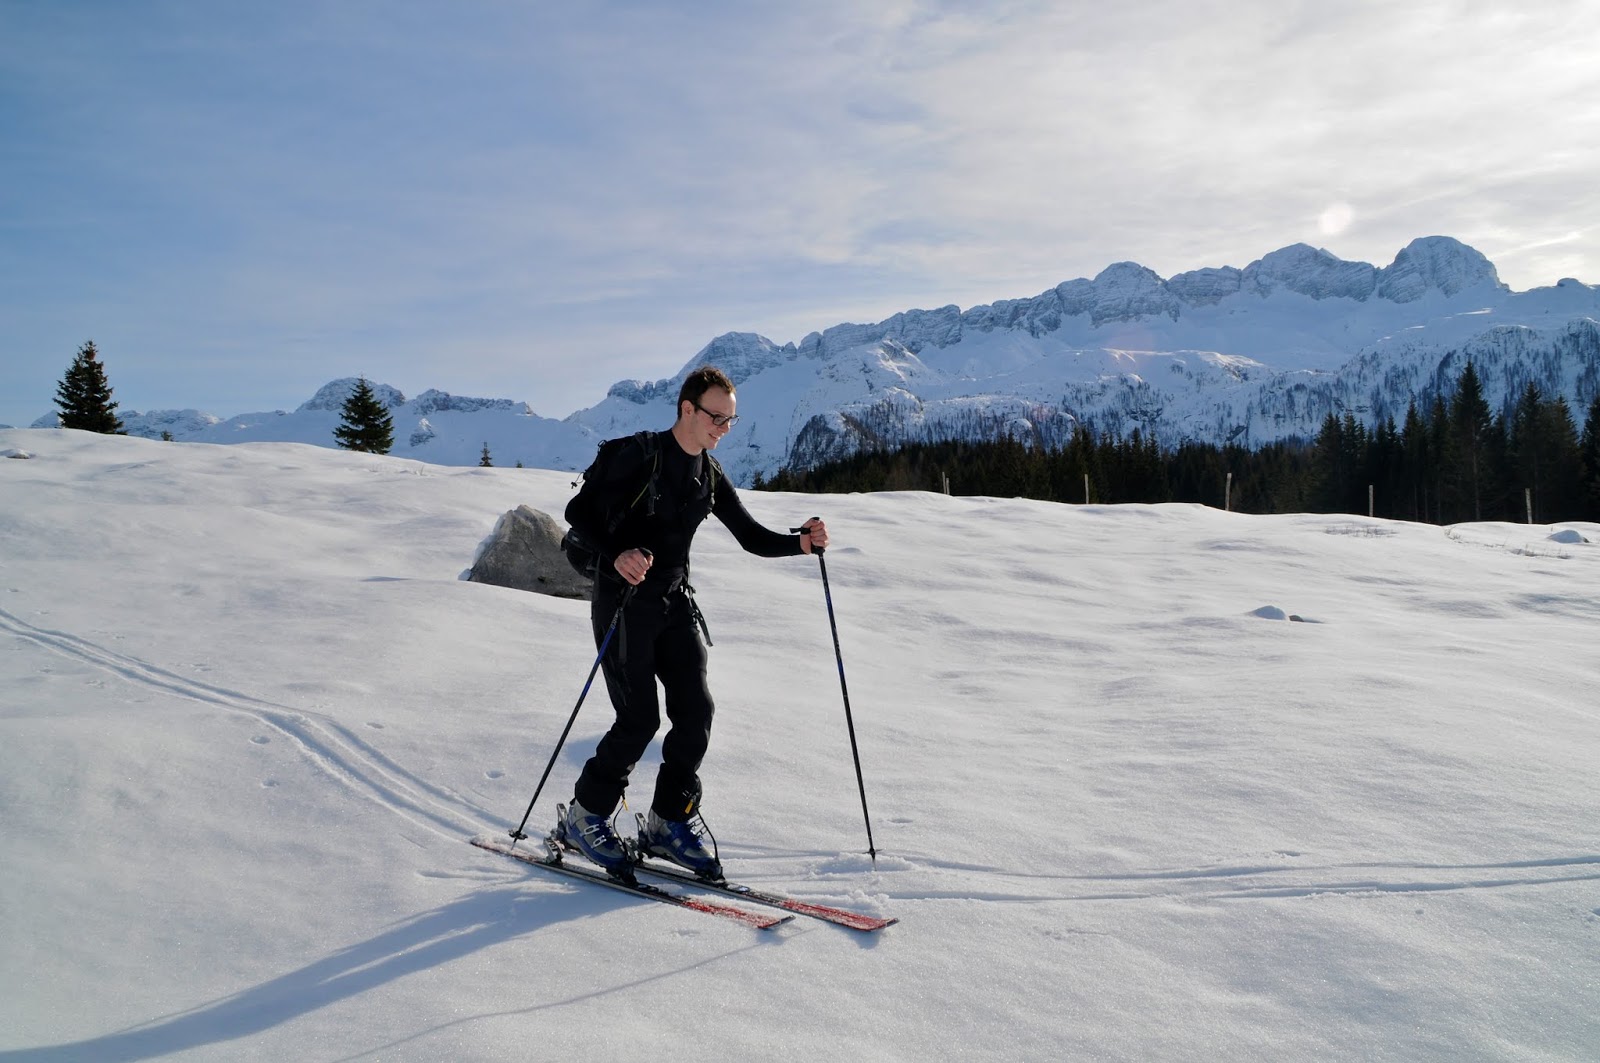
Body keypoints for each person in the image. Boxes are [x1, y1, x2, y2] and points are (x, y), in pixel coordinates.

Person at [557, 366, 828, 880]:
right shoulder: (639, 455)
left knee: (696, 712)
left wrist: (801, 543)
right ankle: (585, 815)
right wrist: (617, 553)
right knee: (639, 720)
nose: (724, 429)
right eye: (716, 418)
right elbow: (579, 512)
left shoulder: (709, 473)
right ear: (687, 408)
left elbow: (750, 535)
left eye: (730, 420)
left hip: (674, 602)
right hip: (623, 603)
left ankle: (668, 820)